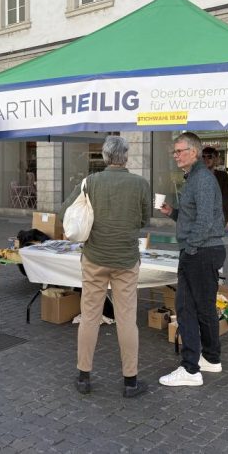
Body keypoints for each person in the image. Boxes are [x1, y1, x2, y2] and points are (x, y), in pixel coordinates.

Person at [59, 135, 151, 398]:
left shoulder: (91, 182)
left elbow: (65, 210)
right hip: (126, 259)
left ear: (104, 156)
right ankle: (130, 381)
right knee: (126, 319)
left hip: (94, 257)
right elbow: (144, 219)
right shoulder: (140, 184)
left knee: (89, 316)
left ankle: (84, 376)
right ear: (126, 156)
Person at [158, 132, 226, 387]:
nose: (175, 155)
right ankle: (211, 358)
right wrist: (173, 213)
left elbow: (206, 220)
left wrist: (192, 248)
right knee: (205, 308)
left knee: (186, 308)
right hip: (204, 250)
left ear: (193, 152)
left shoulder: (202, 179)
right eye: (174, 151)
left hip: (200, 251)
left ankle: (190, 369)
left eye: (179, 150)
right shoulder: (195, 178)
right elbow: (194, 216)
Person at [202, 146, 228, 230]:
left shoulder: (222, 176)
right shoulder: (195, 175)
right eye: (203, 156)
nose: (206, 159)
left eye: (209, 157)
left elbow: (226, 198)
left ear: (215, 159)